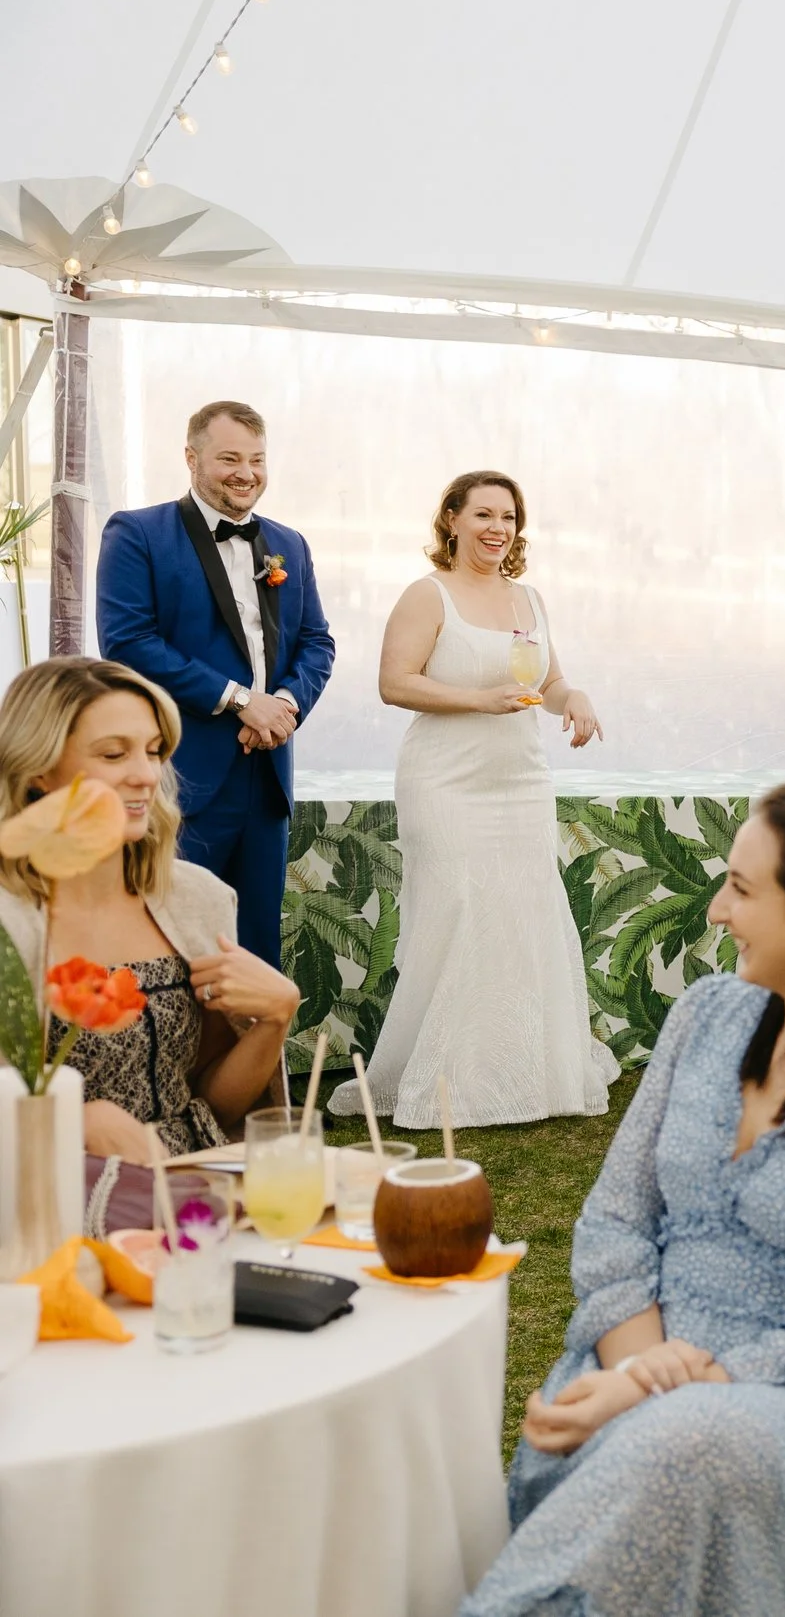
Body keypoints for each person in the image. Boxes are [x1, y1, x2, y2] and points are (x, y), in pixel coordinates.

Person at [463, 782, 785, 1617]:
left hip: (778, 1408)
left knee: (676, 1447)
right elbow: (614, 1220)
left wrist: (669, 1388)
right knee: (620, 1443)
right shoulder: (706, 1014)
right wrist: (641, 1369)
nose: (715, 910)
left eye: (741, 888)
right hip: (630, 1359)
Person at [343, 470, 614, 1129]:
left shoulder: (530, 599)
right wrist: (477, 700)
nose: (498, 528)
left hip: (520, 779)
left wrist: (573, 697)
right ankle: (448, 1078)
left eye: (509, 517)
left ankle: (521, 1077)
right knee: (456, 910)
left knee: (521, 913)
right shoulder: (428, 594)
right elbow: (394, 683)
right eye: (485, 514)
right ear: (453, 520)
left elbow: (547, 683)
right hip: (445, 779)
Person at [0, 658, 298, 1161]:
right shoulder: (8, 923)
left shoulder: (197, 899)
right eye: (114, 754)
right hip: (50, 1192)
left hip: (187, 1184)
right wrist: (75, 1122)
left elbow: (213, 1107)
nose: (146, 775)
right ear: (38, 771)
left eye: (155, 750)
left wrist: (275, 1018)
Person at [96, 400, 335, 965]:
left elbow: (317, 642)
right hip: (183, 777)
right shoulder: (137, 533)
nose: (246, 473)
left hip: (267, 775)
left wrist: (281, 705)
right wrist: (239, 701)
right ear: (191, 458)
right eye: (229, 458)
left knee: (255, 949)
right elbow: (128, 642)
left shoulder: (290, 543)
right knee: (172, 943)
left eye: (257, 459)